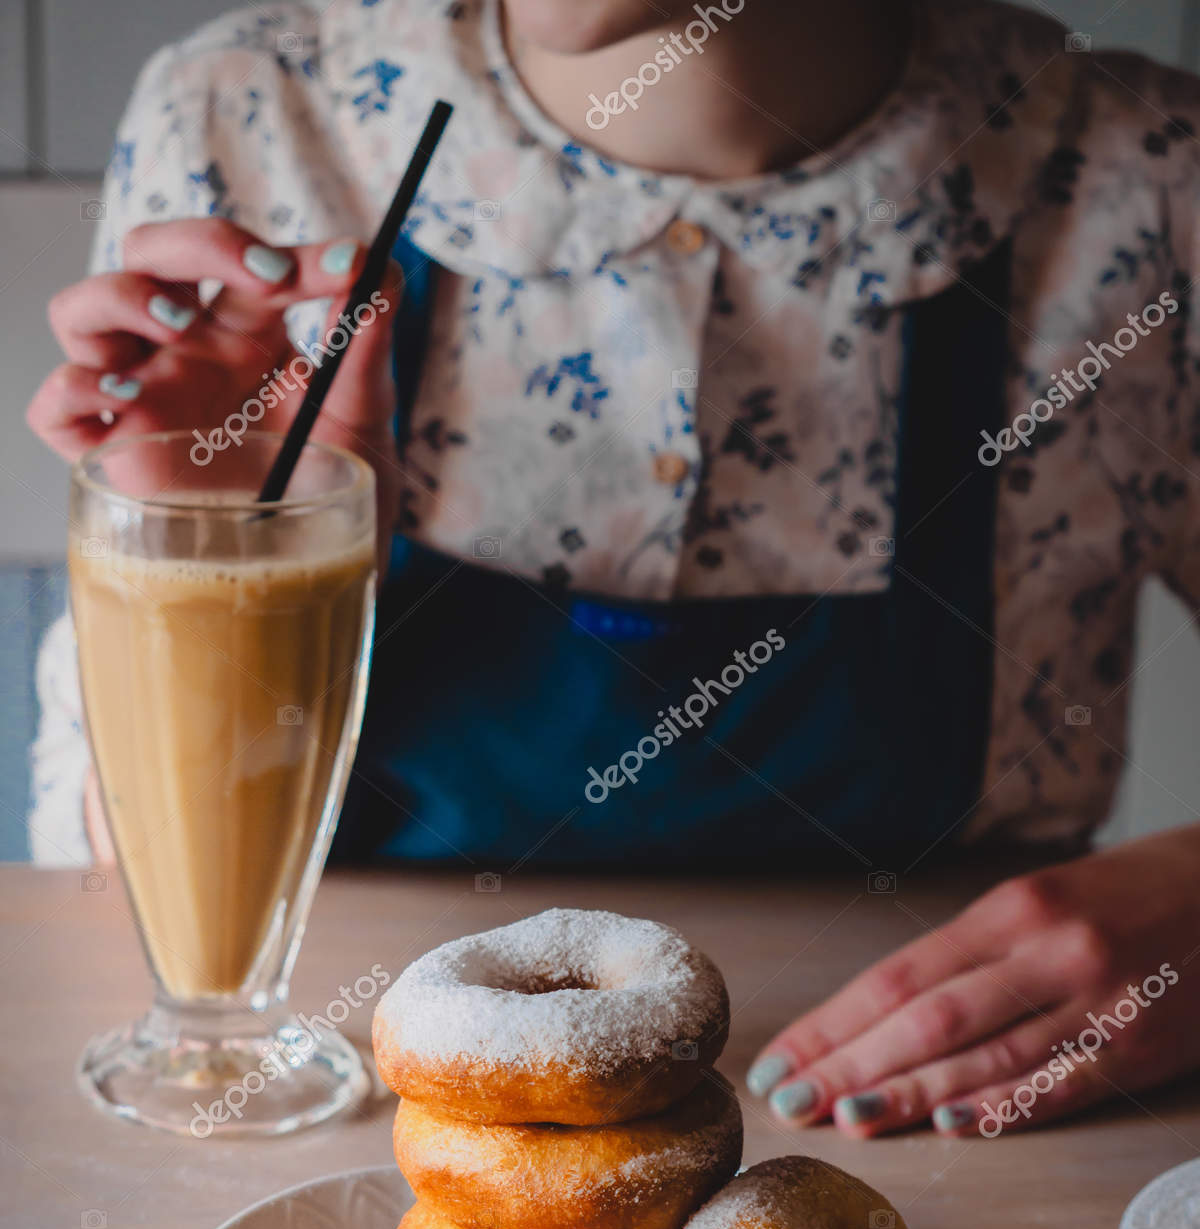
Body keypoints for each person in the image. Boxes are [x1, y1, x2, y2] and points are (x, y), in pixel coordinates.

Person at [26, 0, 1200, 1138]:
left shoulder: (1147, 177)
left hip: (970, 1140)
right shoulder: (250, 114)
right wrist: (221, 568)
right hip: (330, 1140)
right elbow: (133, 943)